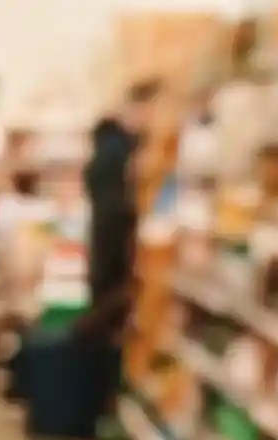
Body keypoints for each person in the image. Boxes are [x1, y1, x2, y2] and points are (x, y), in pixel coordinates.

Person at [78, 79, 160, 344]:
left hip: (107, 248)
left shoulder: (111, 144)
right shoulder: (117, 150)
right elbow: (115, 207)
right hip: (114, 248)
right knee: (108, 320)